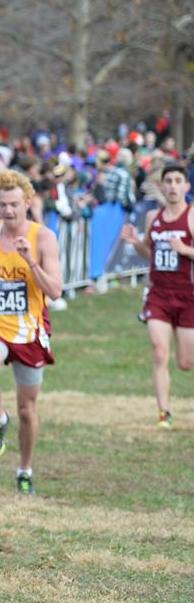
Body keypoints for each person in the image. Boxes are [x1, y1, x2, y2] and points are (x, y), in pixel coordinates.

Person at [0, 170, 62, 495]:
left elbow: (56, 291)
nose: (8, 211)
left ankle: (25, 469)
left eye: (14, 204)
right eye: (3, 204)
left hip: (30, 331)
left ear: (28, 202)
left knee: (27, 410)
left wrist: (31, 262)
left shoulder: (43, 237)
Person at [120, 162, 193, 427]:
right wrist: (136, 243)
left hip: (188, 296)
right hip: (159, 294)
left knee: (186, 362)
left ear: (186, 186)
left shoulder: (192, 216)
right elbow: (151, 254)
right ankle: (164, 412)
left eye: (177, 181)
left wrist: (185, 250)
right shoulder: (154, 217)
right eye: (168, 181)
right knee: (160, 351)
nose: (173, 186)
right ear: (162, 186)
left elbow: (186, 251)